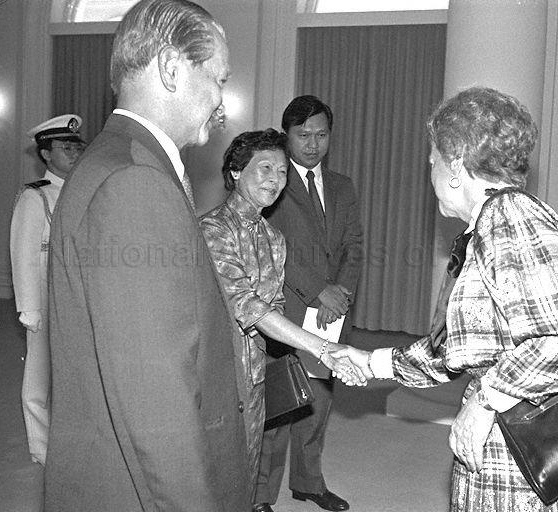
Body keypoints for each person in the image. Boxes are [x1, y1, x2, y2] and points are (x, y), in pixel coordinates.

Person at [340, 86, 558, 512]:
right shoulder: (490, 222)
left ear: (455, 166)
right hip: (508, 434)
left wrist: (486, 402)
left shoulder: (510, 218)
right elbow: (464, 348)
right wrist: (370, 361)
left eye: (432, 162)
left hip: (526, 450)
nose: (429, 174)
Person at [45, 1, 250, 510]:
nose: (222, 102)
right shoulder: (136, 181)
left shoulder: (117, 158)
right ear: (172, 68)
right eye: (219, 79)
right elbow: (154, 396)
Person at [199, 129, 365, 505]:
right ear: (236, 172)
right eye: (265, 168)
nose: (275, 179)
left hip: (256, 375)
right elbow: (248, 307)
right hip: (218, 375)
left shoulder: (273, 238)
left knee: (247, 463)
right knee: (214, 472)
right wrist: (322, 348)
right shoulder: (213, 230)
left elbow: (272, 310)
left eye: (281, 171)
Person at [254, 95, 363, 512]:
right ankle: (261, 498)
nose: (313, 144)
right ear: (287, 136)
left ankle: (308, 482)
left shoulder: (342, 185)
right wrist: (319, 289)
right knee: (279, 410)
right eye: (303, 135)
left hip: (331, 314)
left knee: (318, 403)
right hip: (287, 312)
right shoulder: (274, 182)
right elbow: (272, 246)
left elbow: (354, 246)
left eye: (321, 135)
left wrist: (341, 292)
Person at [9, 113, 86, 466]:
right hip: (44, 294)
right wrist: (29, 307)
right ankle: (42, 446)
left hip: (77, 298)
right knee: (39, 373)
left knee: (74, 371)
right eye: (65, 146)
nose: (73, 152)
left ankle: (73, 439)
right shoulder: (34, 198)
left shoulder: (81, 192)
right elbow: (23, 252)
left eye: (76, 146)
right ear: (45, 154)